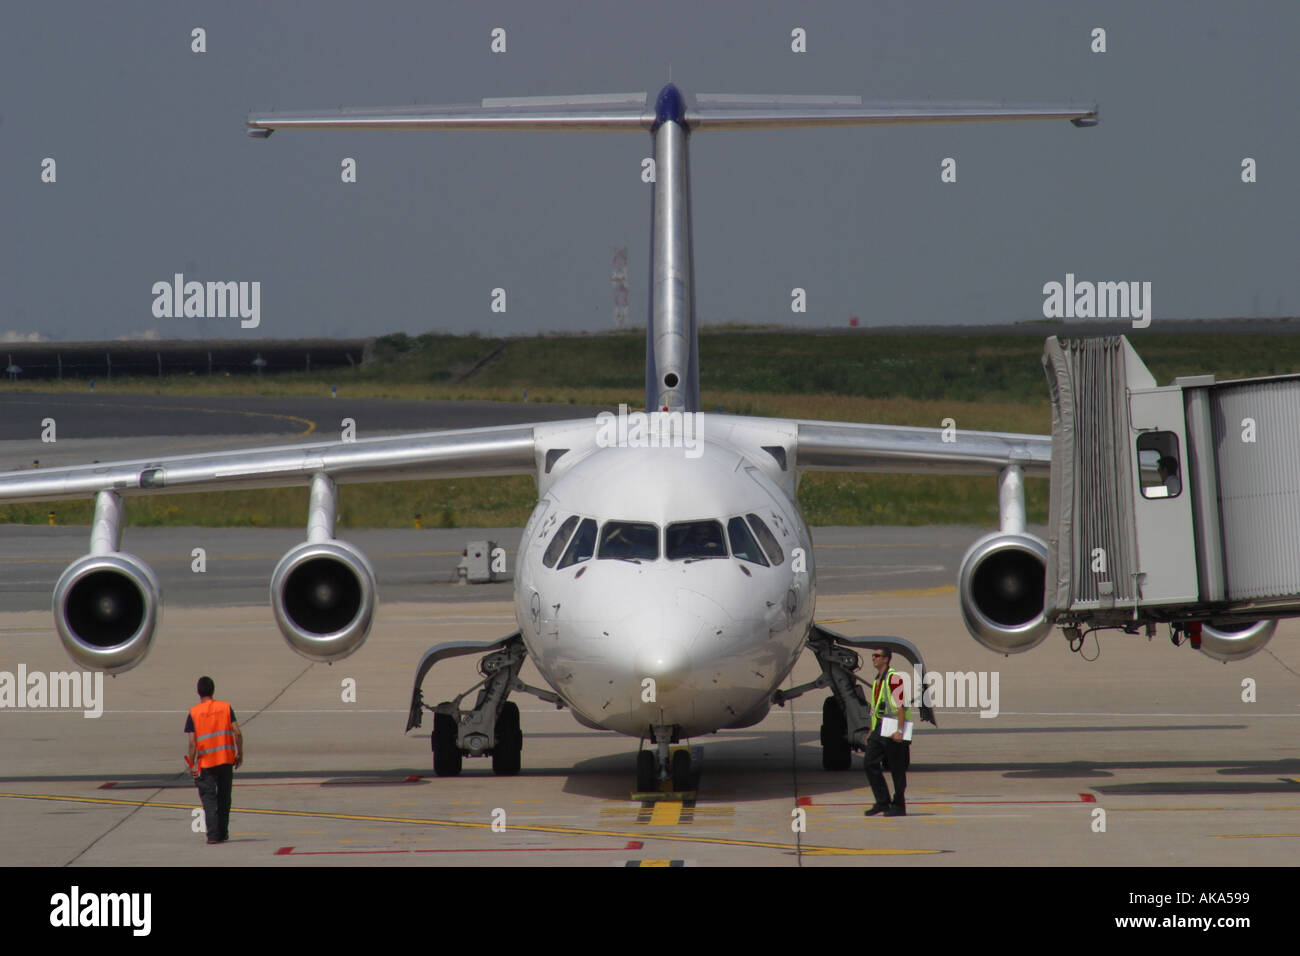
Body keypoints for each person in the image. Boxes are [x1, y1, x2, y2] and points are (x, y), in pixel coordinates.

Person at [185, 676, 243, 844]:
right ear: (213, 690)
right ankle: (223, 833)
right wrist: (240, 753)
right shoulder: (225, 707)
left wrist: (191, 763)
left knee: (209, 799)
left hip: (207, 763)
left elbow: (192, 743)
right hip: (225, 760)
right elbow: (237, 733)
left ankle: (213, 836)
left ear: (198, 692)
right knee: (224, 798)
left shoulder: (194, 713)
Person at [862, 647, 910, 818]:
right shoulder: (877, 681)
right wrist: (870, 730)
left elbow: (901, 706)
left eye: (877, 656)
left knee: (897, 769)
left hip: (893, 729)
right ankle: (882, 801)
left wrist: (899, 730)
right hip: (879, 728)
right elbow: (875, 708)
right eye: (873, 655)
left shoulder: (894, 679)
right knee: (869, 763)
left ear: (886, 659)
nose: (873, 658)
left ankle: (898, 805)